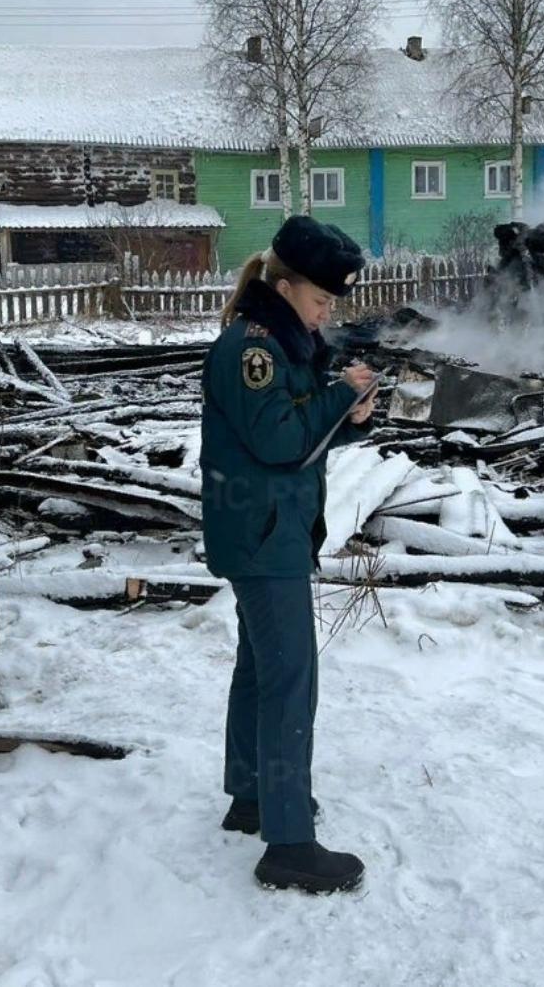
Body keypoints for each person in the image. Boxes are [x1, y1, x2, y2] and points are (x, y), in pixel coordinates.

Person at [199, 214, 379, 894]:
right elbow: (279, 441)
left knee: (260, 667)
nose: (326, 312)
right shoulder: (253, 348)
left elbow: (291, 433)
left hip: (267, 528)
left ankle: (252, 798)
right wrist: (337, 396)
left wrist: (348, 416)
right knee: (289, 679)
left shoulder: (280, 341)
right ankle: (288, 844)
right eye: (319, 300)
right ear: (283, 283)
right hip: (262, 533)